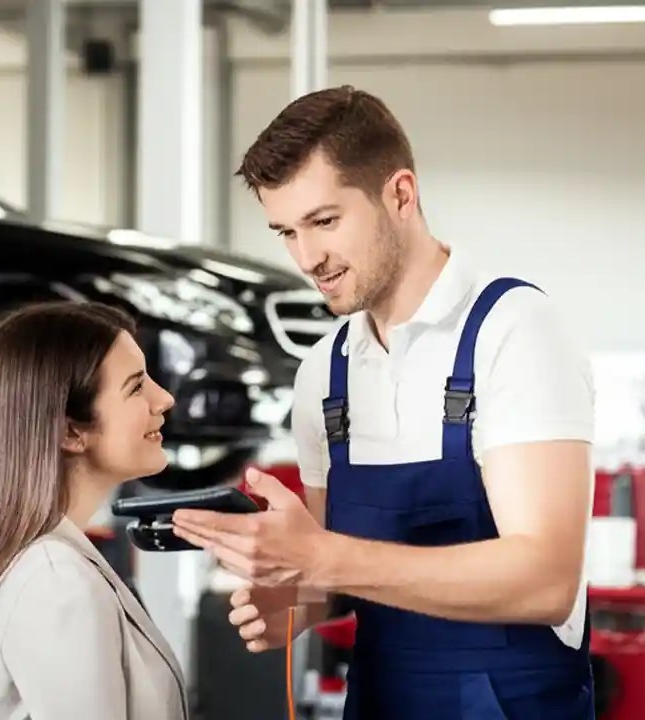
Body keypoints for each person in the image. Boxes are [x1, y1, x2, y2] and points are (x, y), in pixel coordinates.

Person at [172, 85, 597, 719]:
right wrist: (297, 599)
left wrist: (320, 556)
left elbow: (546, 581)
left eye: (324, 221)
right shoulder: (324, 372)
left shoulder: (514, 330)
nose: (307, 257)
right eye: (286, 231)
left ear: (400, 193)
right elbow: (339, 578)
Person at [0, 301, 188, 720]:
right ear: (71, 431)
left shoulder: (34, 562)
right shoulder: (56, 580)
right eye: (135, 387)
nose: (163, 399)